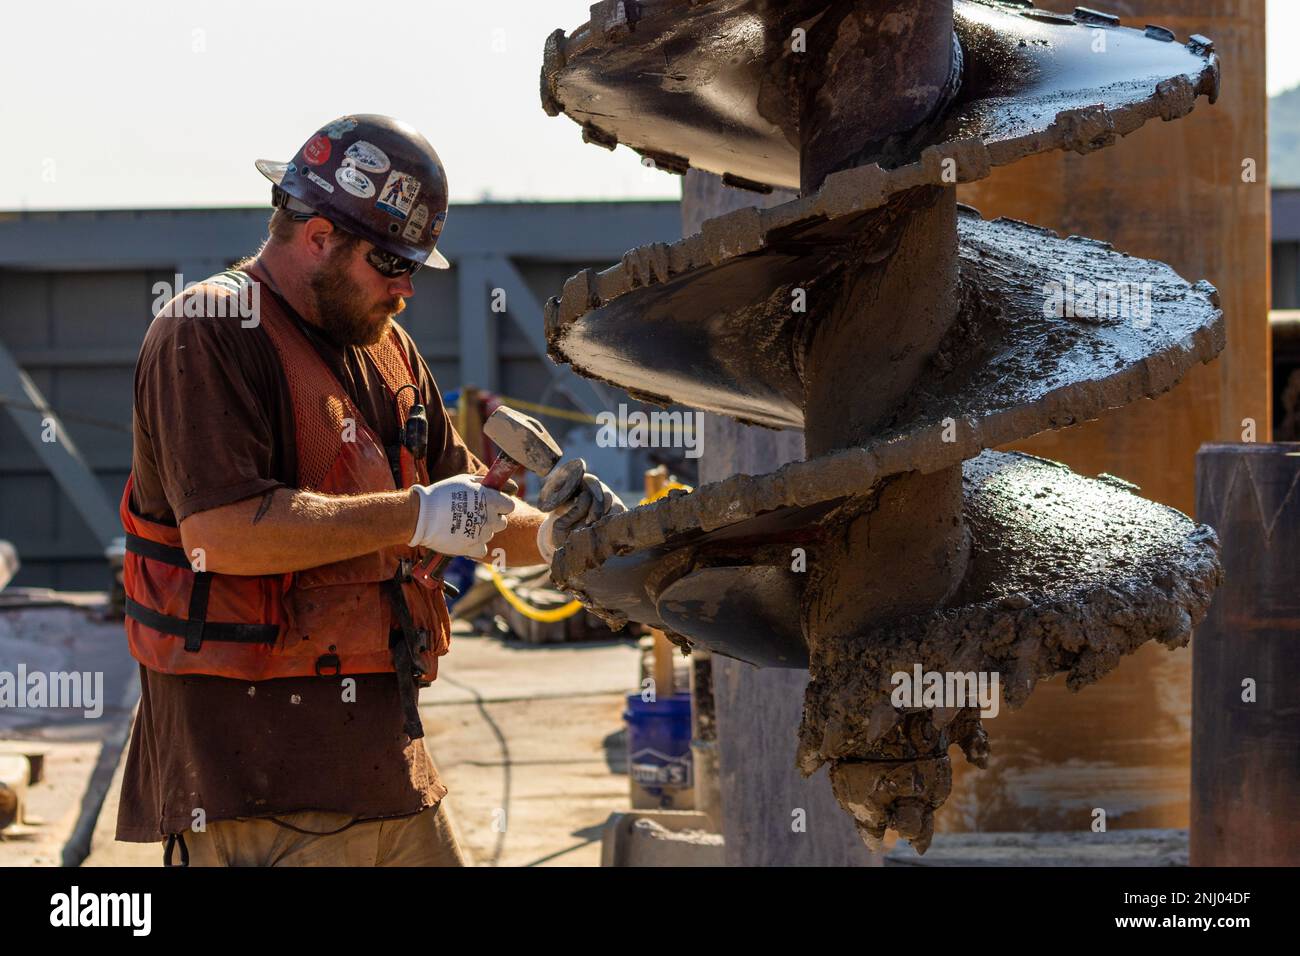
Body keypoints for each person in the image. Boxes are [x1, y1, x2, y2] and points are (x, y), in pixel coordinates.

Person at [113, 114, 623, 866]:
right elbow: (218, 534)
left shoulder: (385, 348)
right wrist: (415, 514)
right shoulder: (208, 330)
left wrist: (555, 538)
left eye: (414, 266)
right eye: (390, 262)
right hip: (255, 794)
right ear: (317, 237)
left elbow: (465, 509)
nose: (407, 288)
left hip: (387, 775)